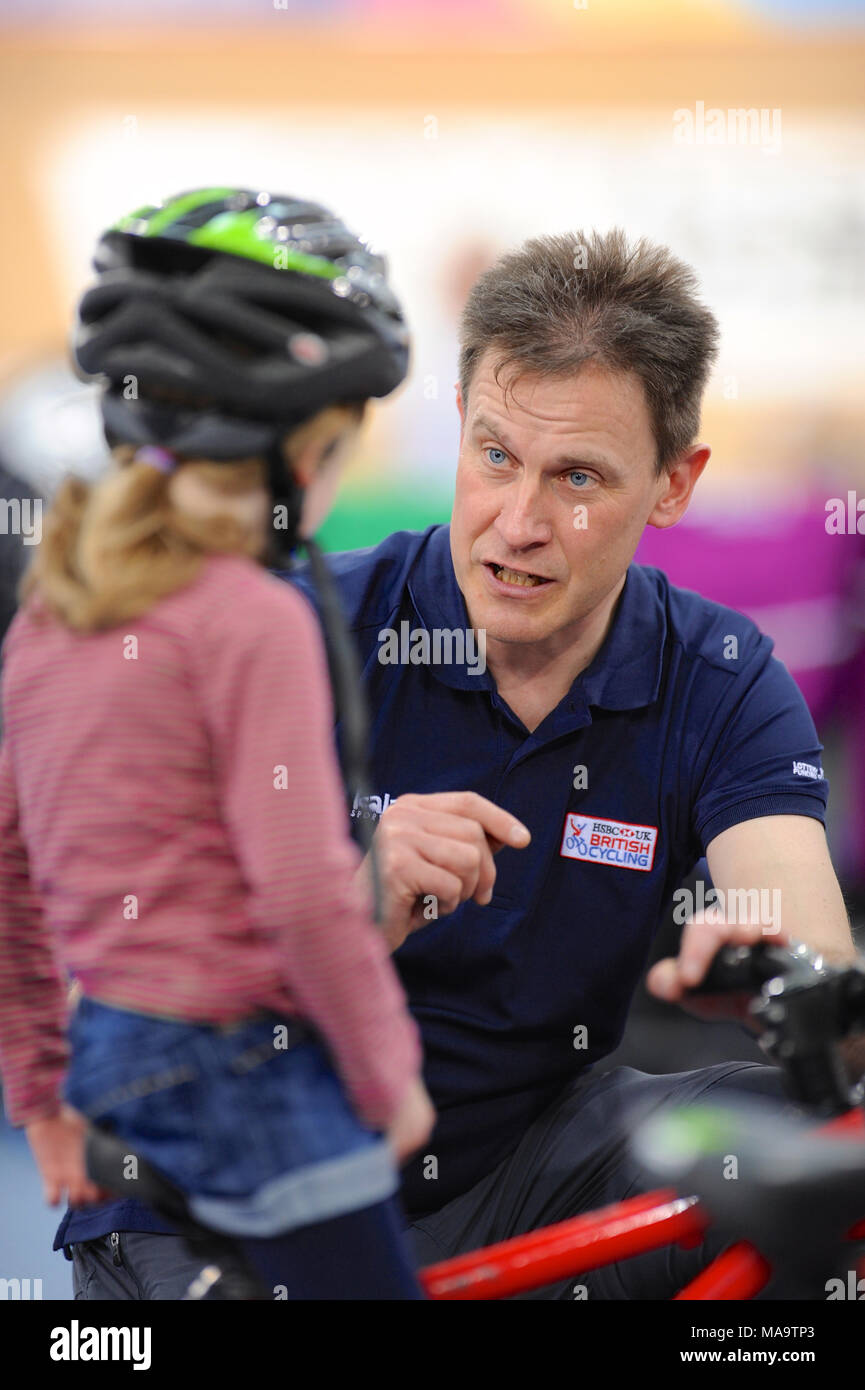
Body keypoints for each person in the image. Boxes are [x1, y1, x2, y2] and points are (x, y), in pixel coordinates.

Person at [57, 225, 863, 1300]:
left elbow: (819, 971)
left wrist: (778, 975)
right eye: (494, 455)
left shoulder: (715, 672)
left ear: (673, 485)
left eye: (576, 475)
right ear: (459, 428)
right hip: (220, 1184)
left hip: (510, 1175)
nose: (517, 522)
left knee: (819, 1154)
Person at [0, 187, 436, 1300]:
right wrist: (392, 1076)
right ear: (304, 446)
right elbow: (300, 891)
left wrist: (43, 1096)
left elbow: (11, 877)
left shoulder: (57, 608)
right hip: (248, 1074)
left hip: (113, 1069)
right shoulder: (254, 617)